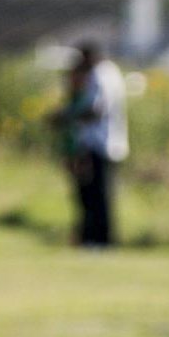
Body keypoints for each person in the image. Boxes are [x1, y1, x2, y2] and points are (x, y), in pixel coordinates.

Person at [65, 43, 128, 247]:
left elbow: (96, 109)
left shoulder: (99, 75)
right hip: (108, 142)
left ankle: (100, 240)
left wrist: (69, 115)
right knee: (100, 195)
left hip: (98, 143)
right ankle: (97, 238)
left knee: (96, 196)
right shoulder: (111, 72)